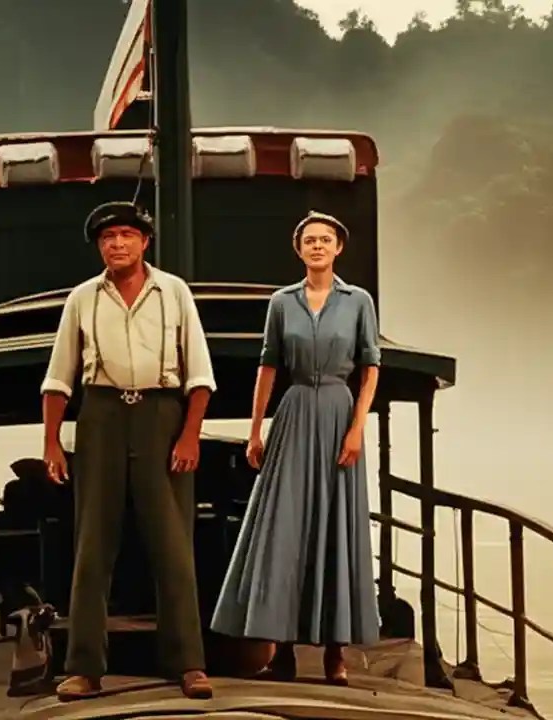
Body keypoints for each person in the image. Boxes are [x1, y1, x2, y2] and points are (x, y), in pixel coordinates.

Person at [40, 200, 215, 700]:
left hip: (163, 415)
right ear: (99, 245)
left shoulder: (174, 292)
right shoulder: (82, 298)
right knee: (93, 545)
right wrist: (53, 441)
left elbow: (199, 373)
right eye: (107, 237)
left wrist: (189, 434)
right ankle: (84, 667)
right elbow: (58, 377)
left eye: (126, 235)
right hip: (101, 414)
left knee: (173, 546)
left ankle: (188, 663)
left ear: (145, 242)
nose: (117, 243)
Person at [210, 210, 382, 685]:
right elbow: (268, 365)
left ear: (338, 248)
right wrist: (255, 429)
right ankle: (281, 649)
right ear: (299, 248)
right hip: (293, 410)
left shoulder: (358, 301)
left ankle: (335, 653)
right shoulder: (282, 302)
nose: (318, 247)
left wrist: (356, 427)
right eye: (310, 240)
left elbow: (370, 366)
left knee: (336, 525)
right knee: (285, 527)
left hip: (337, 412)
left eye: (326, 240)